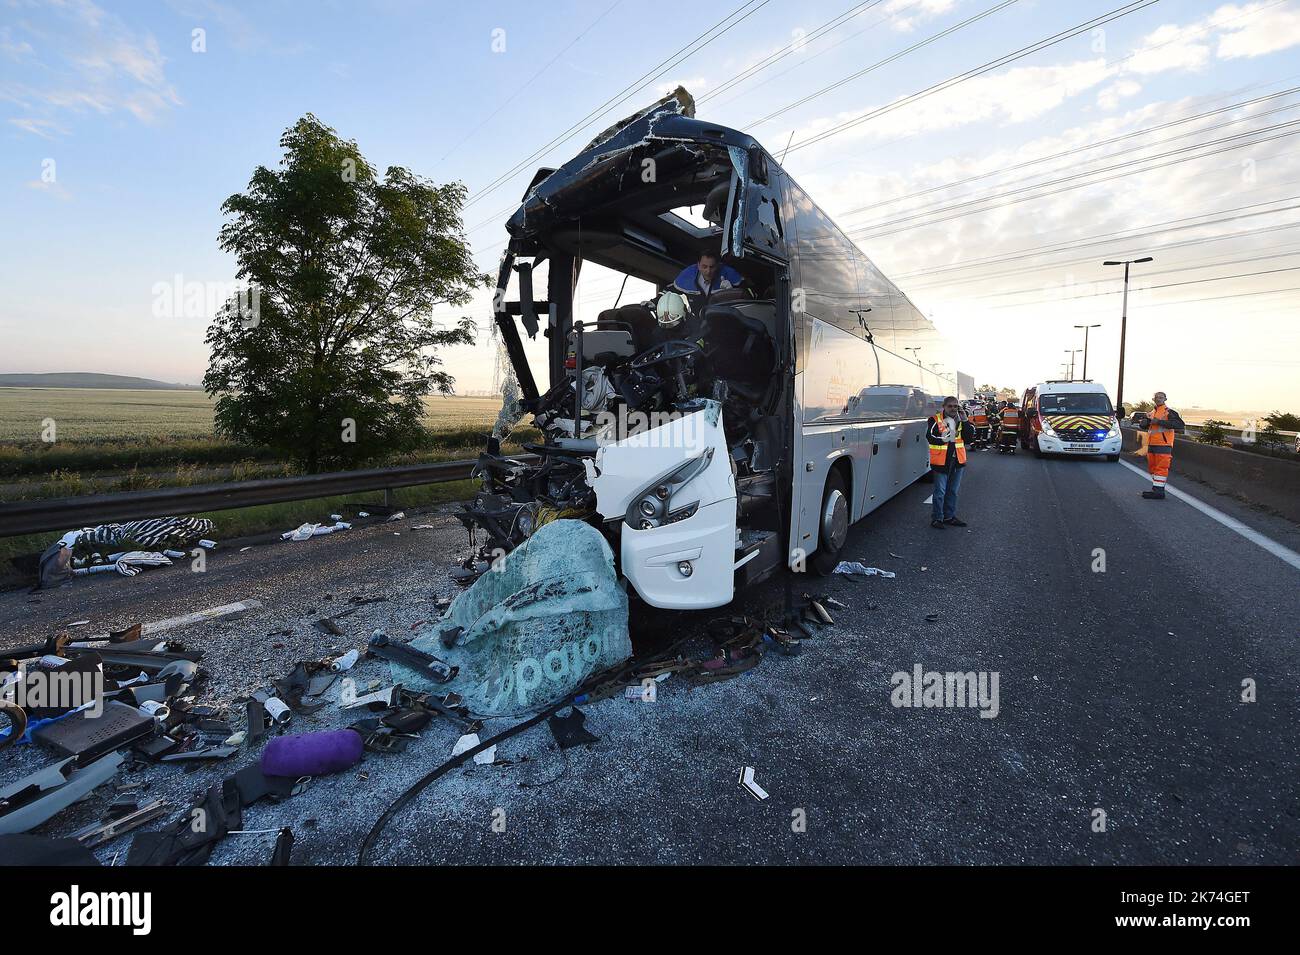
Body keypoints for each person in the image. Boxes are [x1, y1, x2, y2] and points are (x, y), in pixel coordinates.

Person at [927, 396, 974, 528]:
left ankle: (949, 516)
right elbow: (930, 437)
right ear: (944, 406)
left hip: (958, 460)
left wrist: (965, 420)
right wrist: (947, 437)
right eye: (950, 406)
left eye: (955, 406)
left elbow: (969, 438)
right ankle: (937, 518)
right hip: (941, 461)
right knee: (940, 492)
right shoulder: (935, 419)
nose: (953, 409)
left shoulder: (961, 420)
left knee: (952, 491)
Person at [1139, 391, 1185, 499]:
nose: (1158, 399)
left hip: (1163, 444)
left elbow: (1179, 425)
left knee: (1161, 468)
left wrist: (1158, 422)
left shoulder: (1169, 412)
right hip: (1151, 443)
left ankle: (1159, 492)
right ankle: (1156, 489)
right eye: (1157, 397)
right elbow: (1146, 426)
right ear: (1153, 399)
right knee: (1153, 468)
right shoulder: (1151, 412)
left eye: (1161, 397)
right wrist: (1144, 423)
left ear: (1165, 399)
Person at [672, 250, 743, 308]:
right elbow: (670, 295)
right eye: (704, 266)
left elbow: (748, 298)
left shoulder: (729, 274)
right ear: (698, 265)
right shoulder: (687, 275)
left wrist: (732, 292)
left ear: (718, 265)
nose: (708, 271)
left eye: (712, 267)